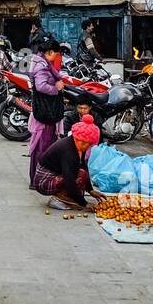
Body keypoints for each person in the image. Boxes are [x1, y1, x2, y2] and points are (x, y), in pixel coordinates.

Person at [33, 115, 107, 211]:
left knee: (82, 174)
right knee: (79, 176)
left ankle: (69, 197)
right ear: (77, 139)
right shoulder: (68, 150)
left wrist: (91, 190)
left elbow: (83, 166)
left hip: (56, 173)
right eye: (85, 143)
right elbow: (69, 180)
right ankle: (58, 199)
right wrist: (84, 203)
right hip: (43, 180)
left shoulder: (80, 147)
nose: (87, 147)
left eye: (89, 144)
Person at [27, 35, 66, 189]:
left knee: (43, 146)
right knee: (42, 147)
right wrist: (56, 89)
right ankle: (38, 180)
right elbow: (41, 86)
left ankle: (39, 178)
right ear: (50, 52)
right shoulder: (42, 66)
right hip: (45, 112)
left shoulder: (41, 63)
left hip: (45, 111)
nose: (56, 57)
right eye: (56, 54)